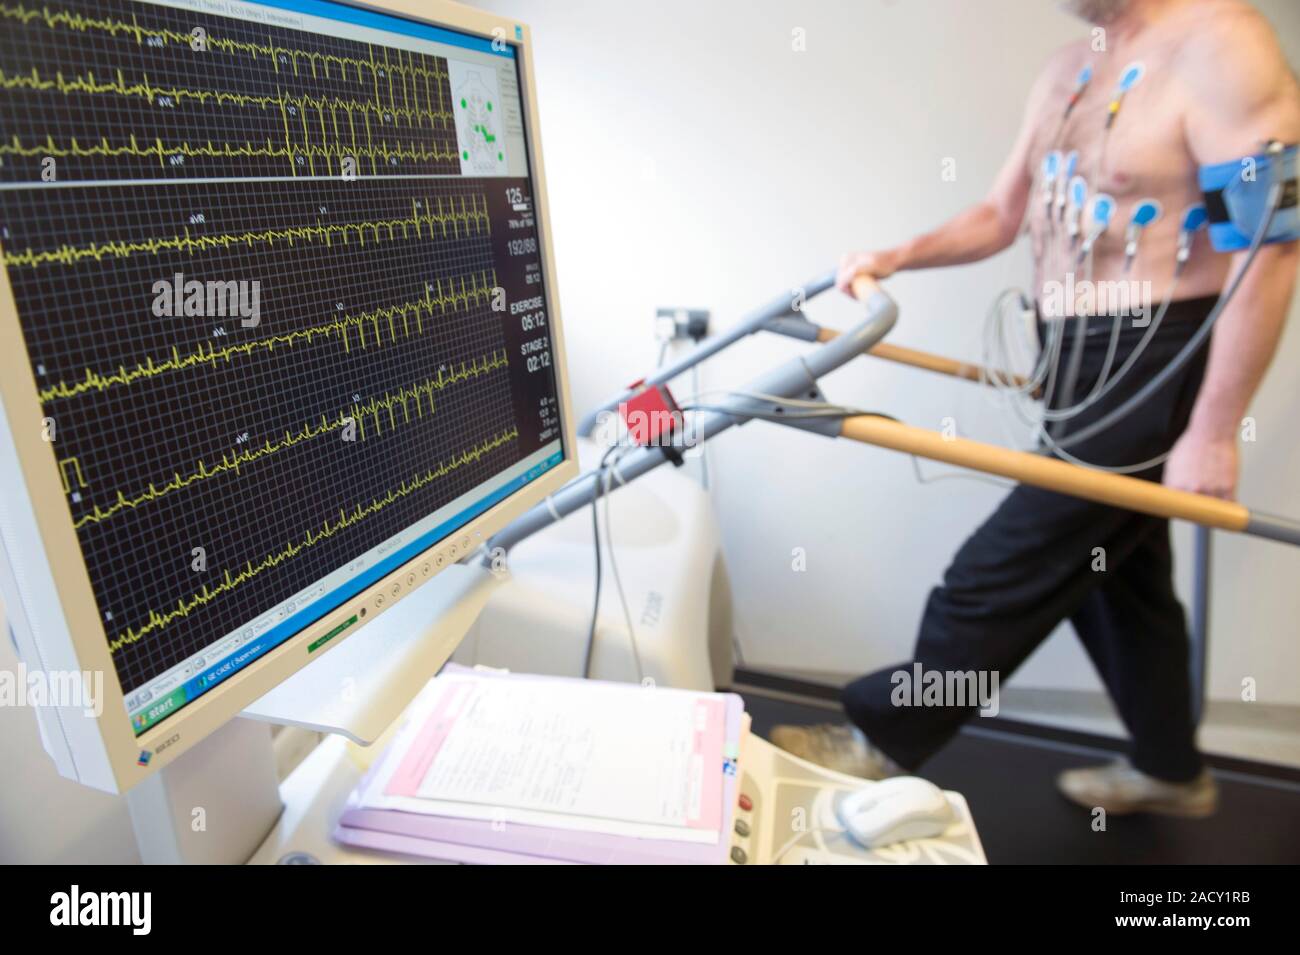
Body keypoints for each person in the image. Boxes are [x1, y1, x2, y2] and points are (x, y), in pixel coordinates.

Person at [772, 0, 1300, 818]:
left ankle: (884, 738)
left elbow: (1273, 239)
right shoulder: (1071, 66)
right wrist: (897, 256)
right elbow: (1001, 214)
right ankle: (1169, 767)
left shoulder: (1224, 44)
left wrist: (1215, 427)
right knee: (1111, 576)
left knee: (1002, 569)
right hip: (1074, 357)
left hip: (1162, 354)